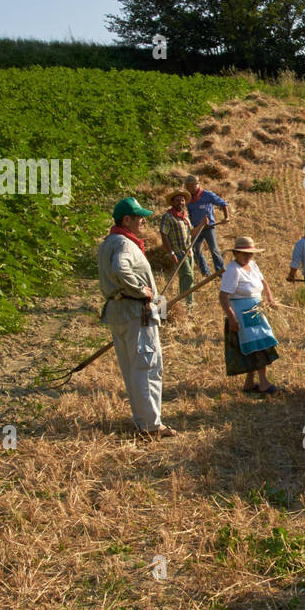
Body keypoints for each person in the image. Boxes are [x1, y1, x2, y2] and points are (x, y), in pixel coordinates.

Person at [98, 196, 175, 439]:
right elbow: (122, 268)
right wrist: (141, 290)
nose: (144, 220)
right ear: (126, 219)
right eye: (139, 216)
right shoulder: (124, 244)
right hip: (135, 313)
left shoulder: (108, 242)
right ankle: (152, 426)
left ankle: (142, 420)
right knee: (147, 368)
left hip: (119, 312)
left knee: (132, 369)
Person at [221, 237, 281, 393]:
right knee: (259, 346)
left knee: (255, 346)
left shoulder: (252, 265)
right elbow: (223, 296)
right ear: (236, 253)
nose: (247, 257)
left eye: (250, 254)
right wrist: (232, 318)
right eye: (243, 254)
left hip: (256, 311)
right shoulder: (233, 270)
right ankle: (264, 383)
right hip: (242, 314)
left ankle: (249, 383)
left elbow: (264, 282)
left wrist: (270, 298)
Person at [159, 191, 199, 310]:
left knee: (188, 278)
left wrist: (202, 224)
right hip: (178, 252)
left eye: (182, 200)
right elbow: (163, 234)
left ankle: (187, 305)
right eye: (178, 200)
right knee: (187, 276)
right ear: (172, 202)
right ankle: (187, 305)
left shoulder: (185, 216)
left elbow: (191, 233)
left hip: (189, 252)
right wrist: (170, 252)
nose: (181, 202)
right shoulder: (168, 216)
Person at [184, 173, 230, 277]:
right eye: (188, 187)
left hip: (208, 228)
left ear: (198, 185)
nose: (190, 188)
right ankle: (205, 273)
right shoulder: (187, 198)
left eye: (192, 186)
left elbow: (223, 204)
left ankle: (221, 273)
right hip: (195, 229)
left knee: (214, 250)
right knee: (195, 250)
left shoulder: (207, 195)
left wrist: (226, 217)